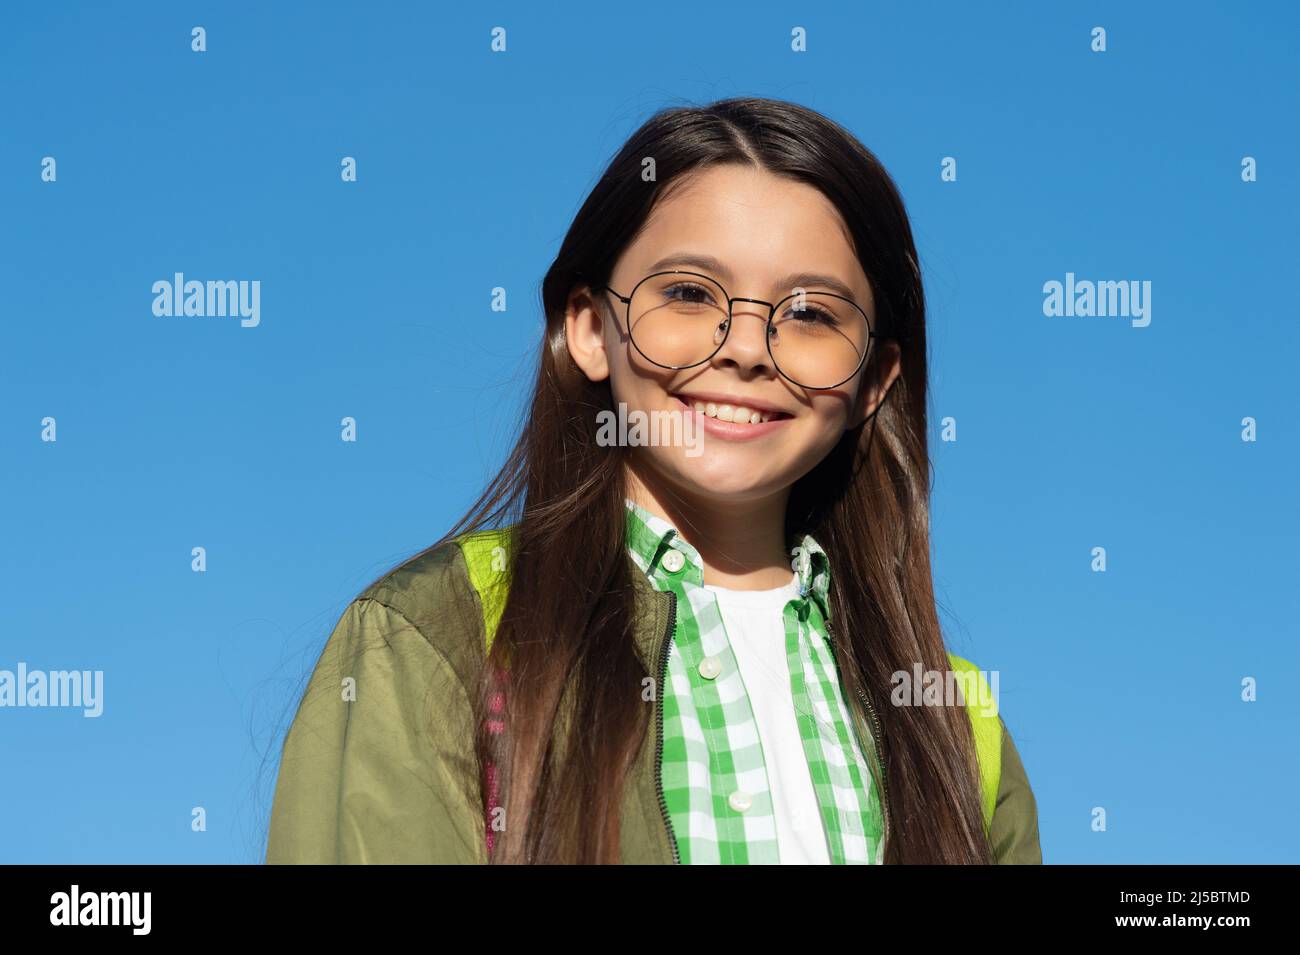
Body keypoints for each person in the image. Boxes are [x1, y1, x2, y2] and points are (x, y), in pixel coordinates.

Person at [265, 96, 1042, 865]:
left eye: (809, 313)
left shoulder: (953, 717)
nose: (746, 348)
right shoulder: (433, 637)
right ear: (589, 329)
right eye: (689, 294)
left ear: (874, 380)